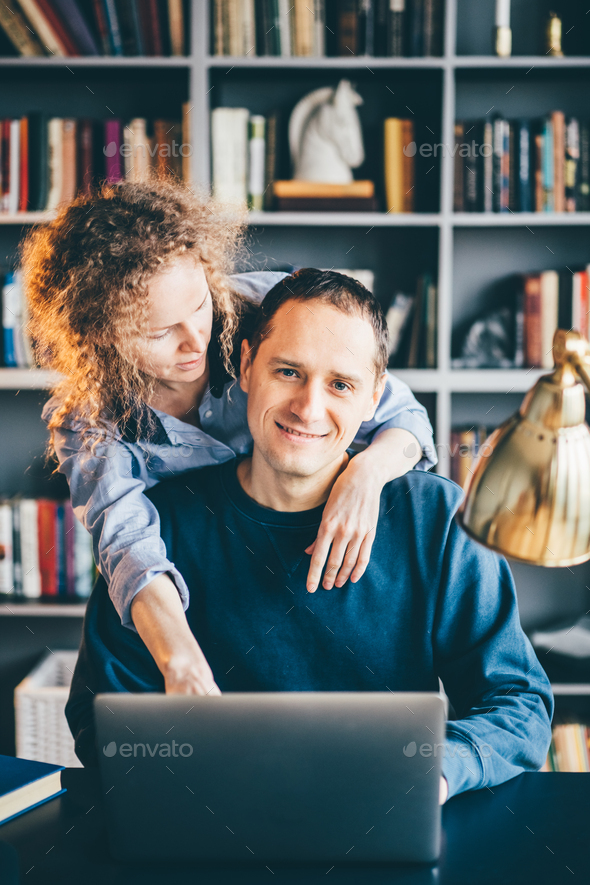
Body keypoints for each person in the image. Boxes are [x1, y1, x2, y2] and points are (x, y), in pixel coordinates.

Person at [66, 268, 553, 802]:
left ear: (375, 399)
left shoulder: (435, 519)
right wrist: (198, 782)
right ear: (247, 366)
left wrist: (437, 772)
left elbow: (518, 702)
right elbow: (100, 718)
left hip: (389, 827)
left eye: (340, 384)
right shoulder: (160, 526)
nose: (308, 409)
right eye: (289, 371)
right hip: (210, 830)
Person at [21, 177, 436, 698]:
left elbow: (401, 414)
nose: (195, 340)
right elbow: (128, 547)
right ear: (102, 335)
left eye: (198, 306)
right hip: (210, 583)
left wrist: (366, 475)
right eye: (158, 331)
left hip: (311, 545)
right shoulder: (89, 421)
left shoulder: (264, 308)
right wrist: (182, 663)